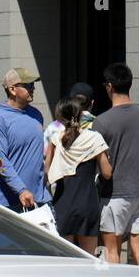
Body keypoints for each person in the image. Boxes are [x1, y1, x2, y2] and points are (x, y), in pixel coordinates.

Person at [96, 63, 139, 266]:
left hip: (114, 194)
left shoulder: (101, 122)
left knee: (112, 250)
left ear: (109, 86)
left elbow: (102, 165)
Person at [45, 98, 112, 254]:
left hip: (62, 203)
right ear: (81, 114)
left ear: (60, 117)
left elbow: (48, 172)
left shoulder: (56, 139)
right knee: (89, 259)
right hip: (88, 203)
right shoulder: (94, 138)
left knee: (65, 258)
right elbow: (107, 173)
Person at [0, 69, 48, 211]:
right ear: (12, 89)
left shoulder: (36, 114)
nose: (33, 89)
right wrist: (21, 189)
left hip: (40, 199)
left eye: (33, 85)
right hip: (8, 203)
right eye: (28, 85)